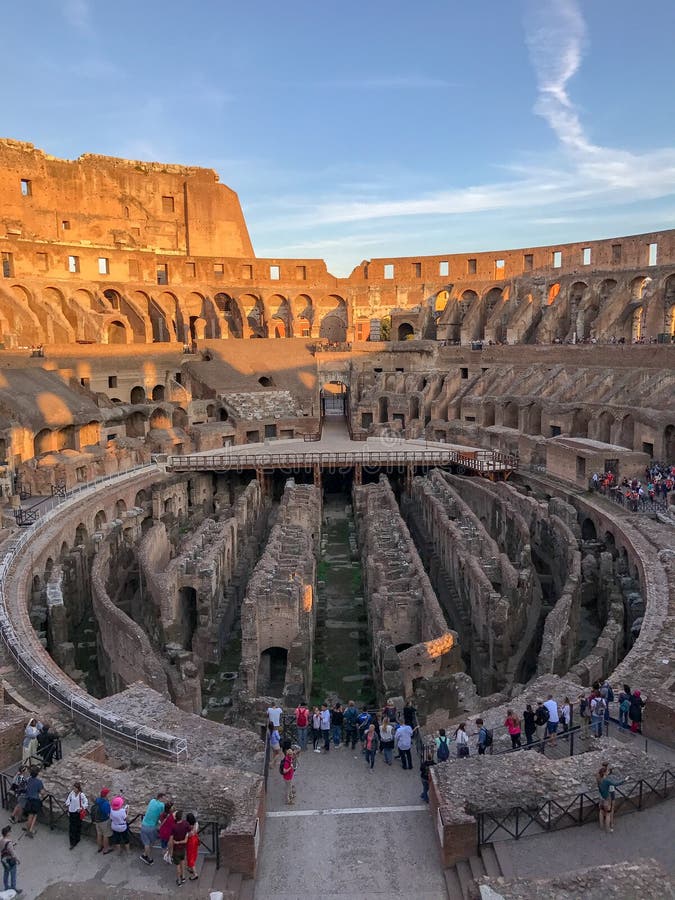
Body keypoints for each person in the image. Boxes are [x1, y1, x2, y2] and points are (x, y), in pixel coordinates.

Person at [140, 790, 167, 865]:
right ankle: (147, 857)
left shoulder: (152, 801)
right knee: (148, 843)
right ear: (160, 798)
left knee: (146, 842)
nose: (165, 800)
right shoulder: (162, 805)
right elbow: (161, 815)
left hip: (144, 824)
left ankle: (145, 855)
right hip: (151, 827)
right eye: (164, 798)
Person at [596, 762, 625, 833]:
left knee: (601, 811)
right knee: (609, 812)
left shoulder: (598, 778)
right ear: (606, 772)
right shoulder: (608, 780)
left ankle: (601, 826)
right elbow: (615, 784)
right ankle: (609, 827)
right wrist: (625, 780)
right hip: (607, 798)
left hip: (601, 797)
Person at [169, 810, 190, 886]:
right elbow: (189, 832)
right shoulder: (186, 824)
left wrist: (170, 852)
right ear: (181, 817)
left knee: (177, 865)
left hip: (176, 849)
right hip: (183, 848)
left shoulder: (173, 827)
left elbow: (171, 840)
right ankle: (183, 877)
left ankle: (178, 880)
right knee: (183, 861)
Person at [65, 781, 88, 850]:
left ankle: (77, 839)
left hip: (77, 813)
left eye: (75, 788)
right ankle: (72, 842)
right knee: (72, 827)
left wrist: (81, 808)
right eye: (73, 788)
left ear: (78, 788)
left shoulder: (81, 795)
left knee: (78, 826)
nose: (74, 789)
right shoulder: (72, 793)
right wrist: (68, 804)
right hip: (72, 811)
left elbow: (86, 802)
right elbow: (68, 799)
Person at [22, 766, 44, 838]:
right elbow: (42, 792)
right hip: (35, 800)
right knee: (33, 816)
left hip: (28, 799)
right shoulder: (39, 782)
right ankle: (30, 830)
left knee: (30, 815)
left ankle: (28, 828)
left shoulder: (29, 780)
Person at [0, 825, 22, 895]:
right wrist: (18, 860)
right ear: (7, 833)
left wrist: (12, 844)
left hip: (4, 859)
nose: (10, 833)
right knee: (13, 874)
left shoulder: (1, 839)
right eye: (9, 832)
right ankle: (13, 888)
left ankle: (6, 886)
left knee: (6, 873)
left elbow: (5, 847)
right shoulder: (9, 842)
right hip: (10, 860)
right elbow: (13, 854)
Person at [90, 787, 113, 854]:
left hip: (97, 820)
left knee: (99, 834)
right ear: (106, 795)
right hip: (104, 821)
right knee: (106, 835)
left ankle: (99, 847)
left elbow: (94, 801)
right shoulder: (106, 803)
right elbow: (108, 813)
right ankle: (106, 849)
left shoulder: (98, 800)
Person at [185, 812, 199, 881]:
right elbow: (196, 831)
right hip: (195, 839)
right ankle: (190, 867)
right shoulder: (196, 824)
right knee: (193, 854)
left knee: (190, 856)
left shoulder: (187, 827)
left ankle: (195, 873)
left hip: (190, 842)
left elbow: (188, 835)